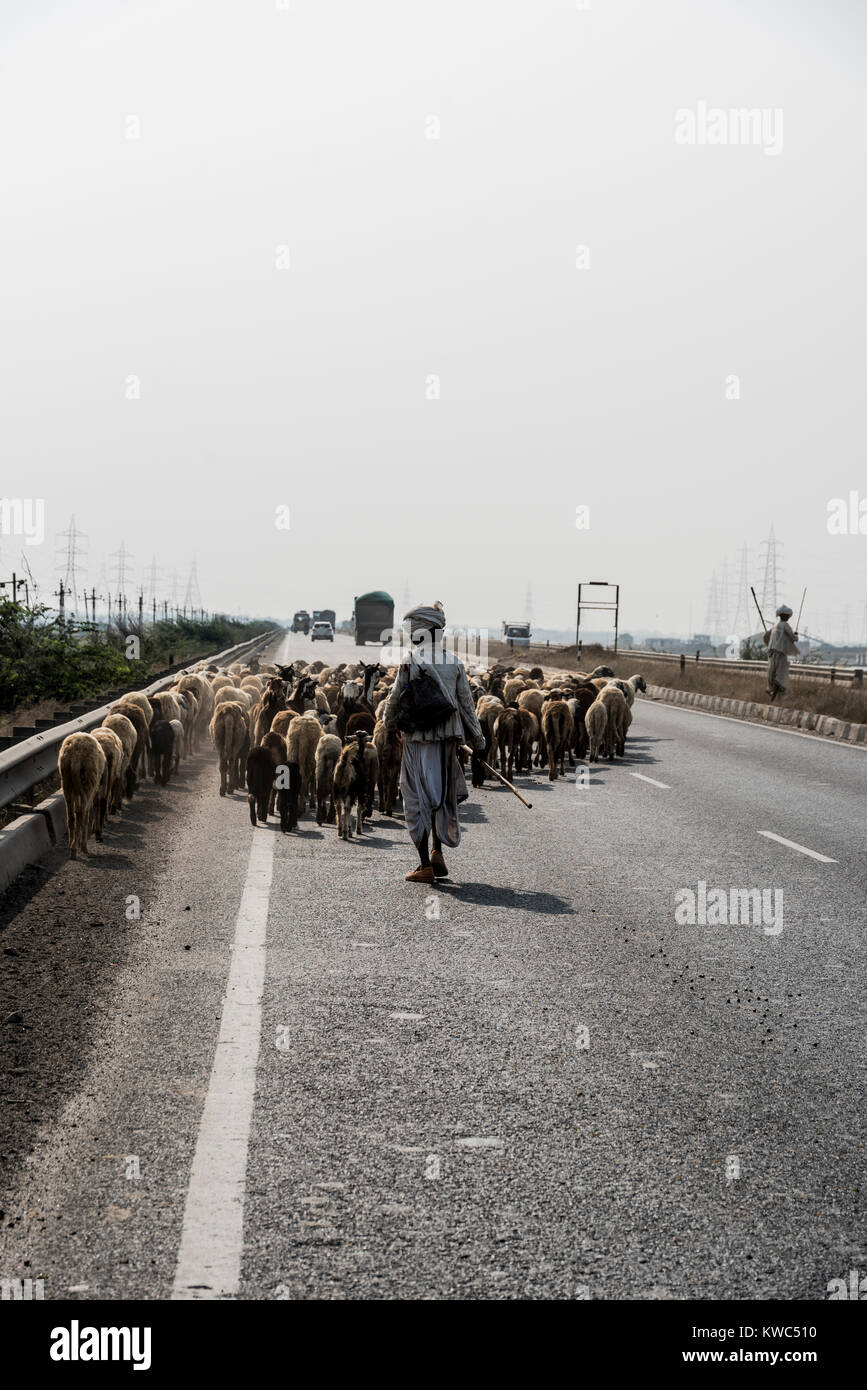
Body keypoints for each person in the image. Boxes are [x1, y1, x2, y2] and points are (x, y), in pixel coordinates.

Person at [383, 602, 486, 884]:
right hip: (446, 744)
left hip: (418, 739)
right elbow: (467, 705)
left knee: (416, 797)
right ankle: (437, 851)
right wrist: (478, 740)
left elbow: (393, 700)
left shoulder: (410, 660)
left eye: (411, 628)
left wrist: (384, 725)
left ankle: (424, 865)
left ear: (422, 631)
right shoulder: (454, 662)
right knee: (441, 796)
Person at [766, 604, 800, 701]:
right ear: (786, 616)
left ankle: (773, 693)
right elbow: (793, 638)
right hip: (780, 653)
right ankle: (778, 693)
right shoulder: (785, 625)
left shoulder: (775, 626)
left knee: (772, 674)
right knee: (781, 675)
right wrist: (796, 636)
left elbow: (767, 637)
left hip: (771, 653)